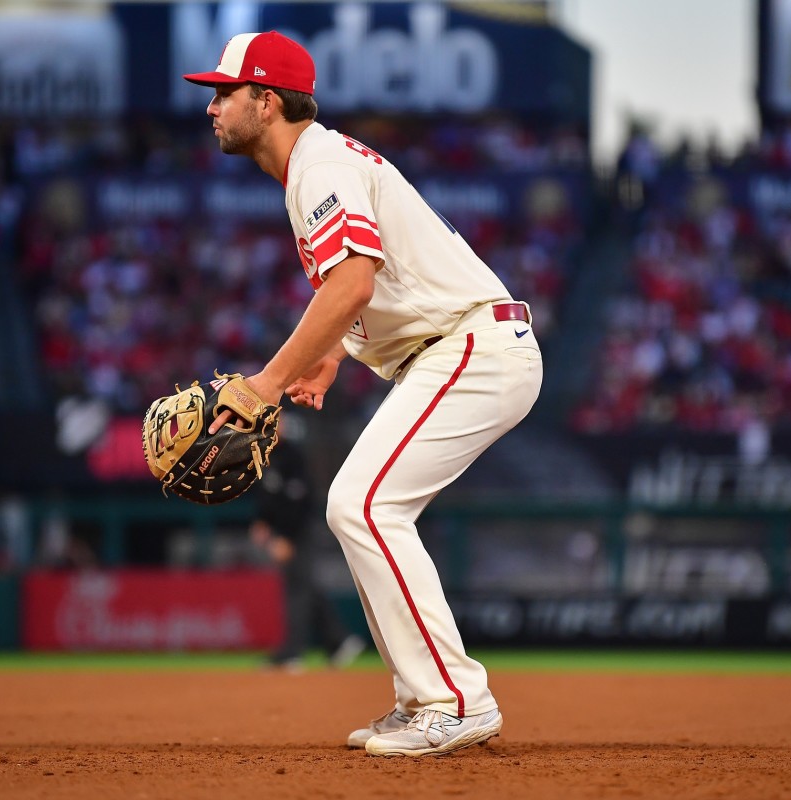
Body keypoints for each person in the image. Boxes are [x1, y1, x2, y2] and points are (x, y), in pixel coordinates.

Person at [185, 31, 542, 757]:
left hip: (473, 348)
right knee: (359, 508)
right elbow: (374, 282)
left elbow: (352, 282)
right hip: (456, 348)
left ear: (268, 100)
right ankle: (423, 700)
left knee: (364, 504)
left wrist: (265, 385)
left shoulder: (317, 165)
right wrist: (331, 357)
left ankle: (454, 700)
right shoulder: (317, 165)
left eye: (225, 92)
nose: (213, 107)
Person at [248, 413, 366, 672]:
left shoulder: (292, 456)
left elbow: (299, 501)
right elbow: (268, 496)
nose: (270, 428)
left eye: (275, 424)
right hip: (284, 532)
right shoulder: (265, 456)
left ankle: (293, 653)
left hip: (299, 531)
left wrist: (287, 537)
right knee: (304, 587)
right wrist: (263, 521)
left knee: (297, 591)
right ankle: (339, 641)